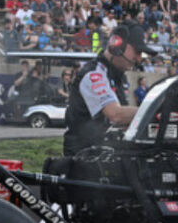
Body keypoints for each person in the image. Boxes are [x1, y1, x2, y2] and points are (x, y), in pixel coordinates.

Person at [63, 25, 147, 155]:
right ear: (117, 45)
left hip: (105, 155)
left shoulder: (119, 76)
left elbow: (123, 122)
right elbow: (115, 115)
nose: (139, 58)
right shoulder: (93, 73)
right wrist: (155, 110)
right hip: (83, 158)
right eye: (137, 51)